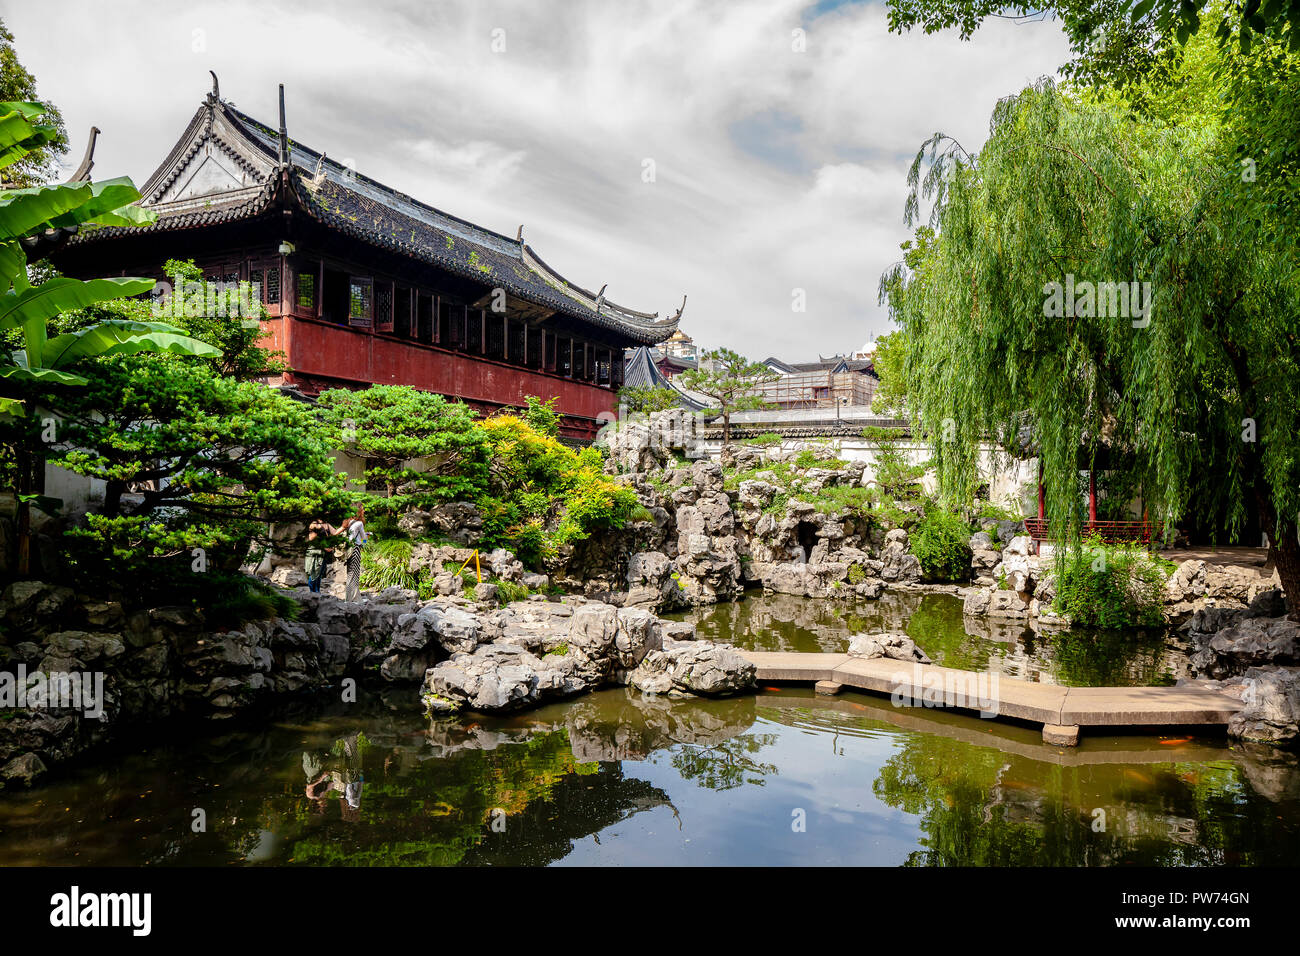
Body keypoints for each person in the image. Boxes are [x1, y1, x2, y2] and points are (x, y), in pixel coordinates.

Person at [341, 504, 367, 602]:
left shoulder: (347, 522)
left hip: (348, 550)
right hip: (356, 549)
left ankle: (350, 598)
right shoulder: (359, 523)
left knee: (350, 574)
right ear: (358, 511)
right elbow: (364, 538)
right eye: (363, 509)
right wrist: (364, 543)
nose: (364, 511)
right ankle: (353, 599)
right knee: (355, 574)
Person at [304, 517, 337, 593]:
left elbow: (335, 532)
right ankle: (312, 593)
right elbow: (311, 538)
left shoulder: (326, 524)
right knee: (314, 574)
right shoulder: (314, 524)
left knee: (319, 574)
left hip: (323, 554)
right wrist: (324, 547)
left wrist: (344, 526)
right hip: (315, 553)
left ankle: (317, 593)